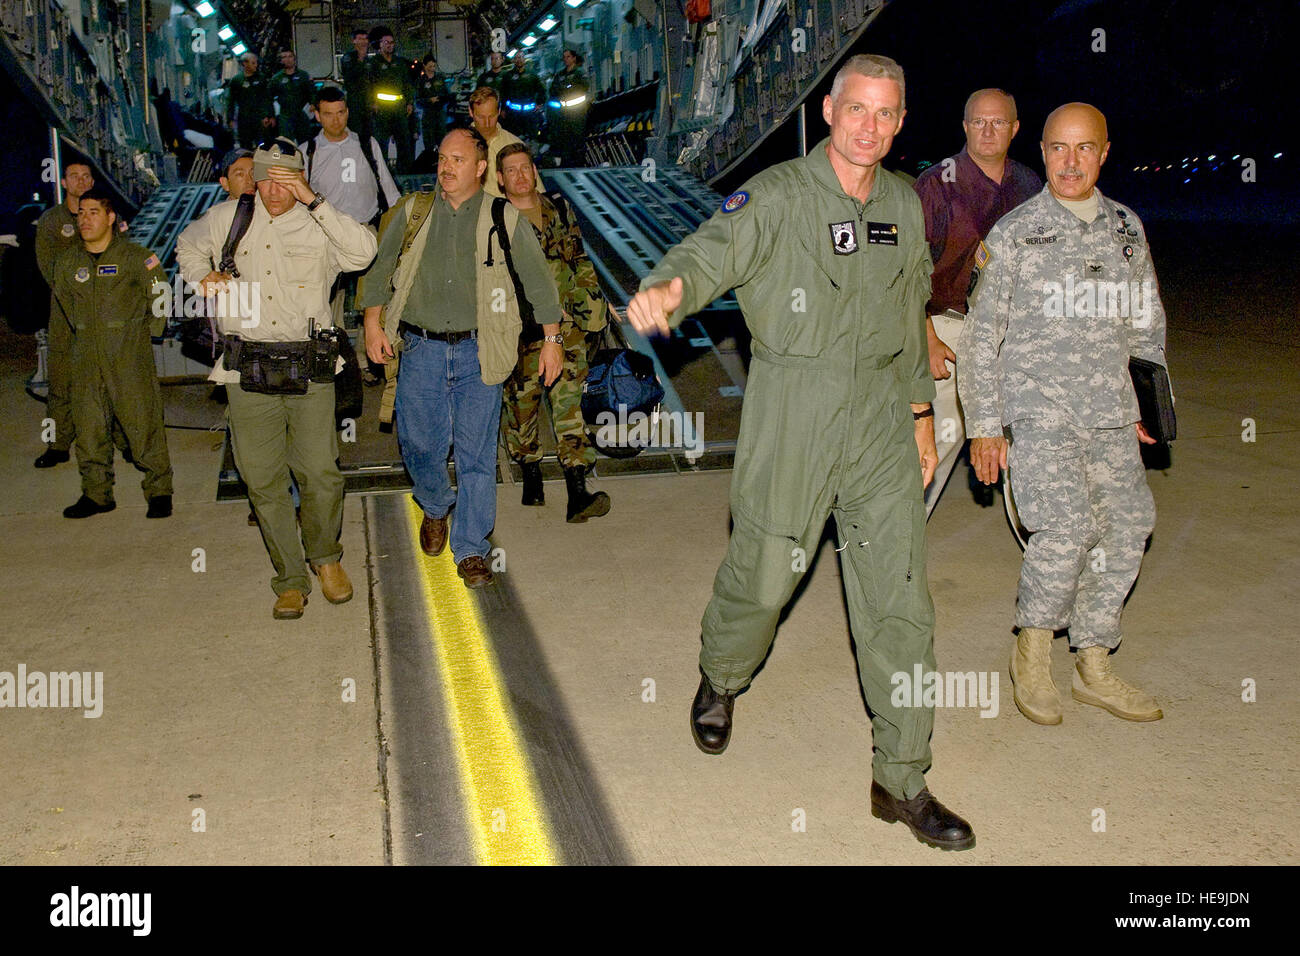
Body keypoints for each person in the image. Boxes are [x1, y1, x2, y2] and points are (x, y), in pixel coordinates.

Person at [626, 54, 975, 851]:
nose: (872, 127)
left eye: (887, 114)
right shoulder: (780, 196)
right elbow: (711, 250)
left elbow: (908, 307)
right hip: (795, 411)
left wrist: (922, 415)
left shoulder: (903, 203)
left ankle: (903, 777)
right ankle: (722, 676)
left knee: (901, 605)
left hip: (883, 423)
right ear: (828, 110)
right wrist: (671, 289)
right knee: (764, 577)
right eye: (858, 110)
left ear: (900, 120)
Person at [960, 102, 1167, 725]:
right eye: (1057, 148)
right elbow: (980, 336)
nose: (1070, 161)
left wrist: (1152, 402)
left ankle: (1095, 662)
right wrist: (986, 426)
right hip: (1040, 408)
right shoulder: (1015, 233)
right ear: (1042, 151)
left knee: (1130, 525)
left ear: (1104, 153)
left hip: (1110, 408)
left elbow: (1146, 322)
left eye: (1084, 148)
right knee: (1066, 529)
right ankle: (1032, 652)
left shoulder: (1126, 227)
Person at [175, 138, 378, 619]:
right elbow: (187, 245)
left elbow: (363, 253)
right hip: (247, 369)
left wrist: (313, 199)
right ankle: (289, 577)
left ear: (300, 180)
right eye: (264, 179)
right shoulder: (231, 218)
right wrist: (202, 277)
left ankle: (326, 559)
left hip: (308, 367)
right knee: (262, 478)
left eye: (284, 181)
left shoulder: (319, 220)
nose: (272, 190)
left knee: (320, 473)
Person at [356, 128, 563, 588]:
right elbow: (378, 269)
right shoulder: (414, 212)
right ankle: (434, 503)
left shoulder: (503, 217)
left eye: (457, 159)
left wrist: (553, 341)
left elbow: (539, 282)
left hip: (479, 350)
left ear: (480, 167)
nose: (446, 168)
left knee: (475, 454)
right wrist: (372, 323)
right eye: (442, 159)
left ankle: (471, 547)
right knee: (419, 443)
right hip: (420, 349)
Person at [912, 89, 1041, 514]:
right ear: (965, 126)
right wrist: (922, 333)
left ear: (1015, 128)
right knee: (937, 440)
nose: (988, 130)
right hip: (948, 328)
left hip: (1010, 334)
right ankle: (898, 546)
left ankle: (1046, 546)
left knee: (1026, 444)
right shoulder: (937, 184)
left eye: (999, 122)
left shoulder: (1030, 184)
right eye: (979, 122)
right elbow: (903, 270)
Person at [496, 142, 610, 522]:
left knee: (568, 404)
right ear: (499, 179)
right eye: (511, 170)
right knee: (522, 405)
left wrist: (595, 303)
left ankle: (578, 491)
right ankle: (531, 473)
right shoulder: (497, 220)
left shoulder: (558, 207)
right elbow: (497, 278)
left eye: (525, 167)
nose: (520, 176)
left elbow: (578, 257)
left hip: (567, 329)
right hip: (523, 330)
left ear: (534, 170)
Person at [50, 187, 173, 519]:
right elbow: (63, 302)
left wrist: (147, 332)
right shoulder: (68, 262)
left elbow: (161, 293)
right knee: (89, 428)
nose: (85, 219)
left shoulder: (136, 257)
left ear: (110, 217)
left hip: (128, 355)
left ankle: (159, 490)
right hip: (85, 355)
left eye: (93, 212)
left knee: (142, 421)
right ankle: (97, 494)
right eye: (80, 214)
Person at [303, 86, 400, 381]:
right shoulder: (308, 151)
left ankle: (368, 359)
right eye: (328, 114)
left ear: (348, 112)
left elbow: (388, 189)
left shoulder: (367, 145)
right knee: (327, 303)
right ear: (317, 115)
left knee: (370, 299)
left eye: (341, 113)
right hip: (326, 235)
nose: (336, 120)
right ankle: (336, 364)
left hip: (365, 229)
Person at [33, 159, 94, 468]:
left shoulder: (105, 216)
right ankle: (57, 445)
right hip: (64, 313)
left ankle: (121, 441)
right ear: (65, 183)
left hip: (102, 311)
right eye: (74, 177)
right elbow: (50, 268)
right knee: (60, 384)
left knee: (110, 381)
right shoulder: (51, 221)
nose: (81, 181)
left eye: (86, 176)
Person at [366, 27, 415, 174]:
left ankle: (403, 173)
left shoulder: (400, 63)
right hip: (382, 109)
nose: (389, 45)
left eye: (392, 42)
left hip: (399, 108)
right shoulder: (373, 63)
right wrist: (372, 103)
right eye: (386, 42)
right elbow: (369, 85)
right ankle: (383, 173)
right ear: (380, 44)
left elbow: (407, 83)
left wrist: (409, 102)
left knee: (403, 142)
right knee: (382, 144)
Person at [468, 87, 521, 199]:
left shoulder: (515, 145)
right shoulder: (457, 145)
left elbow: (534, 193)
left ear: (499, 111)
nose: (487, 123)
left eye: (491, 116)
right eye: (481, 117)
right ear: (471, 112)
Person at [546, 49, 590, 167]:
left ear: (574, 58)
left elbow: (584, 87)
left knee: (577, 139)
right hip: (563, 113)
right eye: (564, 57)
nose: (566, 59)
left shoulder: (579, 73)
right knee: (565, 140)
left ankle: (579, 162)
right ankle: (567, 162)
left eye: (568, 57)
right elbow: (553, 90)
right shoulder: (560, 75)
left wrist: (568, 88)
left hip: (577, 112)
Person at [226, 53, 276, 148]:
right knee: (245, 144)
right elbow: (231, 101)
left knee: (262, 145)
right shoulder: (236, 80)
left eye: (256, 63)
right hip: (244, 118)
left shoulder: (261, 78)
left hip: (259, 117)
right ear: (245, 64)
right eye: (253, 63)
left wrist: (270, 116)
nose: (256, 65)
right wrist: (230, 119)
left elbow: (267, 99)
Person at [269, 49, 316, 147]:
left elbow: (311, 92)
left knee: (306, 144)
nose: (288, 59)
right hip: (285, 115)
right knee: (286, 144)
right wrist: (270, 115)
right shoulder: (277, 78)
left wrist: (313, 103)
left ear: (294, 59)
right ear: (281, 60)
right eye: (284, 57)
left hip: (301, 113)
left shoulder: (303, 75)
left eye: (290, 56)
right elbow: (268, 98)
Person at [500, 53, 545, 146]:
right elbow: (503, 93)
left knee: (531, 139)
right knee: (514, 140)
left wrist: (540, 103)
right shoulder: (508, 76)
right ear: (513, 61)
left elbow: (541, 90)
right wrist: (503, 109)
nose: (518, 60)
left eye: (520, 57)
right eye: (516, 58)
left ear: (524, 59)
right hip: (513, 114)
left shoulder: (532, 75)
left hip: (529, 113)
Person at [340, 29, 372, 141]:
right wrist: (360, 59)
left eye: (365, 39)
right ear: (354, 41)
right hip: (354, 101)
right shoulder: (348, 58)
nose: (364, 42)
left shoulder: (368, 60)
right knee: (355, 132)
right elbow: (350, 76)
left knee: (368, 134)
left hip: (368, 101)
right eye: (360, 39)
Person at [416, 55, 449, 158]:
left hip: (440, 113)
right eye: (430, 66)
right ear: (424, 66)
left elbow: (447, 94)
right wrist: (429, 100)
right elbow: (418, 100)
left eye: (433, 66)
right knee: (429, 141)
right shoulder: (420, 81)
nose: (432, 69)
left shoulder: (440, 78)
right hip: (428, 114)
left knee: (442, 140)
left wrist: (441, 98)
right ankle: (430, 162)